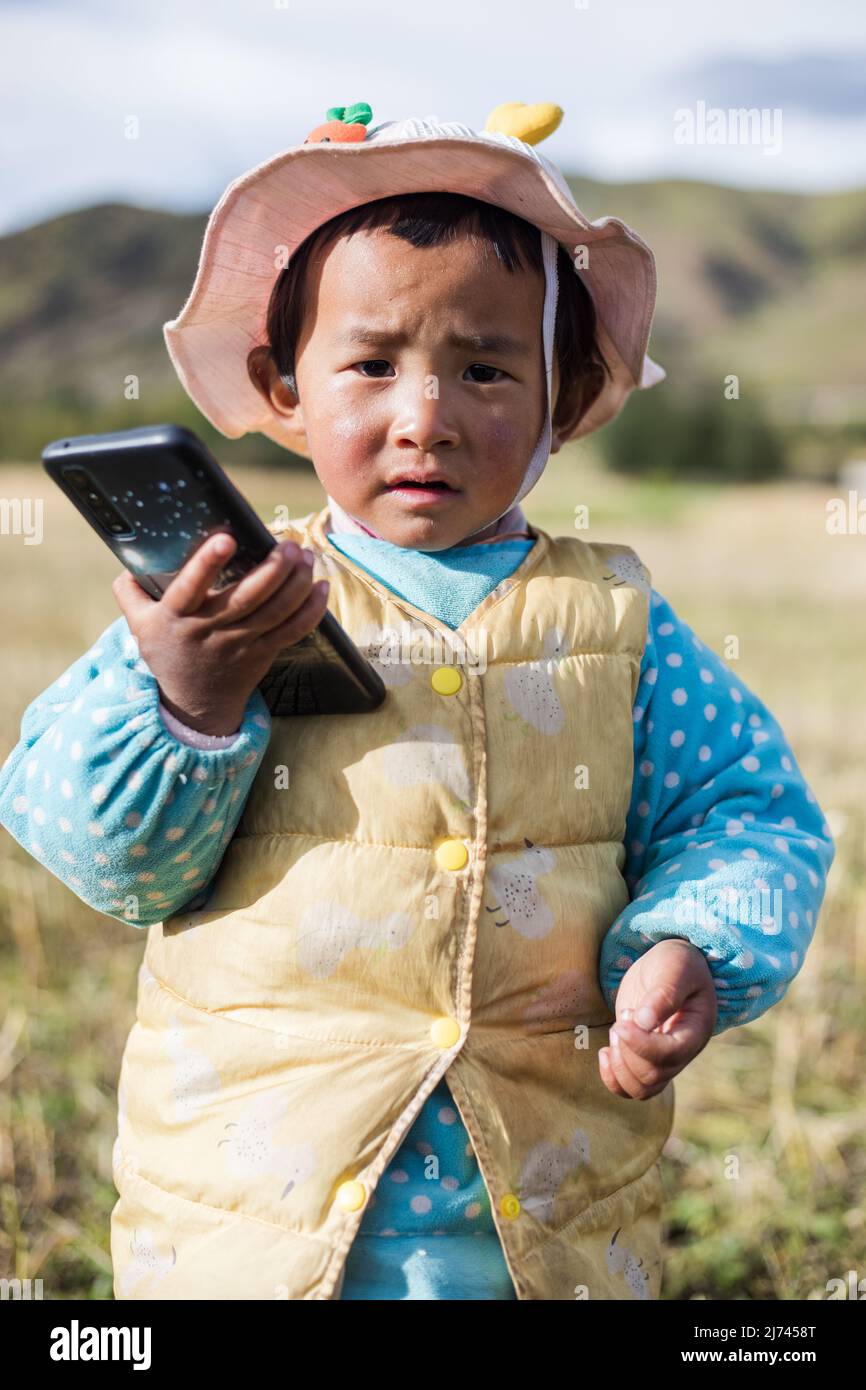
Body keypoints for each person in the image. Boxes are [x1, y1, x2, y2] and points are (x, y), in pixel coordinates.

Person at [0, 102, 834, 1300]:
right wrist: (186, 696)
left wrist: (691, 939)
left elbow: (746, 809)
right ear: (283, 389)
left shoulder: (616, 623)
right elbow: (112, 862)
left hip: (538, 1225)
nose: (424, 416)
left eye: (485, 369)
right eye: (372, 363)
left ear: (565, 394)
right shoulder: (227, 604)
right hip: (255, 1223)